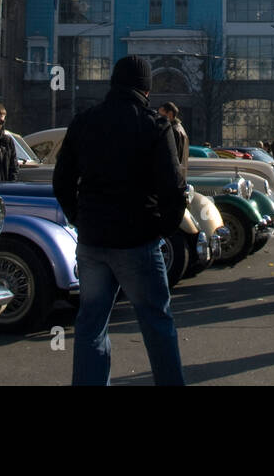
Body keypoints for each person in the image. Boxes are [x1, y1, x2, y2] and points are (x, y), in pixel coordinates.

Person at [53, 55, 187, 386]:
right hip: (137, 240)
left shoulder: (84, 121)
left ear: (113, 82)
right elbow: (174, 188)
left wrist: (79, 218)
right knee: (156, 322)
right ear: (146, 89)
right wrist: (161, 229)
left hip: (93, 240)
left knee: (91, 324)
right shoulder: (155, 125)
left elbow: (62, 181)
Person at [158, 102, 190, 177]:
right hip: (180, 175)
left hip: (174, 175)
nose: (159, 117)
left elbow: (174, 156)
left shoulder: (173, 131)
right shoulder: (180, 128)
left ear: (170, 113)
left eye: (161, 114)